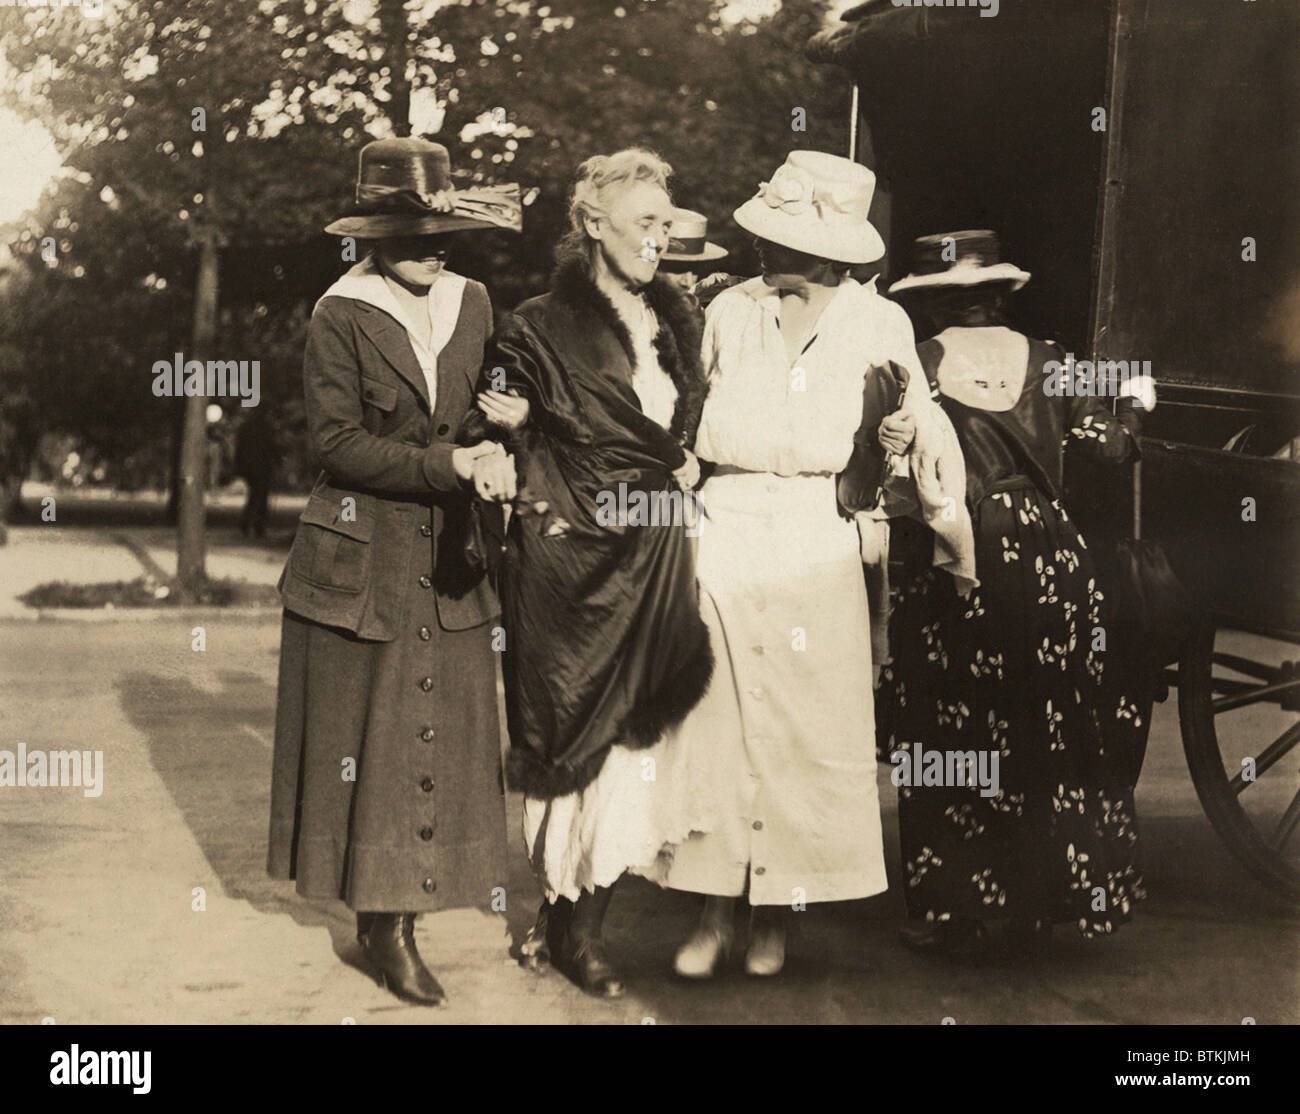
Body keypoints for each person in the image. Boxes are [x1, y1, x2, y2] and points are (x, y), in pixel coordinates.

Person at [655, 152, 975, 979]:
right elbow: (683, 416)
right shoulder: (728, 309)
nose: (763, 247)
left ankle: (777, 920)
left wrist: (901, 449)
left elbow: (921, 436)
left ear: (833, 252)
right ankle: (713, 909)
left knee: (801, 728)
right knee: (716, 721)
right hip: (726, 525)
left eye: (785, 237)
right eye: (763, 232)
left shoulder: (879, 324)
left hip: (817, 531)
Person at [267, 138, 524, 1006]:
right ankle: (383, 925)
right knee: (370, 745)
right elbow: (335, 444)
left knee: (442, 736)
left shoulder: (475, 301)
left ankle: (406, 918)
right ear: (371, 233)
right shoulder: (339, 312)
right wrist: (447, 467)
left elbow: (492, 400)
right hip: (362, 552)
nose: (433, 245)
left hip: (450, 552)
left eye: (444, 228)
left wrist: (508, 423)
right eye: (412, 230)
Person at [468, 148, 712, 998]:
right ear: (592, 226)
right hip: (569, 557)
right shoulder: (535, 323)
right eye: (644, 224)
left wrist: (682, 467)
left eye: (666, 226)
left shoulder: (675, 325)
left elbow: (686, 437)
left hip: (653, 559)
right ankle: (559, 909)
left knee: (633, 749)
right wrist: (526, 419)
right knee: (569, 732)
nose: (659, 240)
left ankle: (580, 929)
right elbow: (493, 421)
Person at [877, 230, 1149, 956]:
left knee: (951, 721)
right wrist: (1133, 410)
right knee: (1050, 715)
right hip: (1047, 552)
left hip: (954, 548)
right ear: (999, 293)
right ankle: (1040, 899)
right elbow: (1111, 452)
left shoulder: (919, 366)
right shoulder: (1054, 361)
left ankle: (954, 907)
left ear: (931, 303)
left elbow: (891, 469)